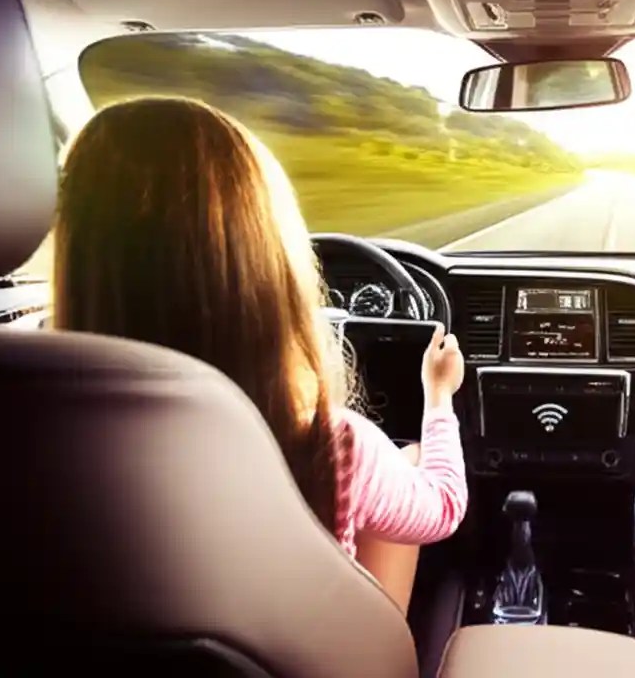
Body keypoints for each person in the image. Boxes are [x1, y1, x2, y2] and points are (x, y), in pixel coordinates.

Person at [53, 96, 468, 614]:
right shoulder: (333, 449)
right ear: (269, 275)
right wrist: (438, 397)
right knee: (411, 462)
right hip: (307, 652)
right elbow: (445, 504)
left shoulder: (23, 437)